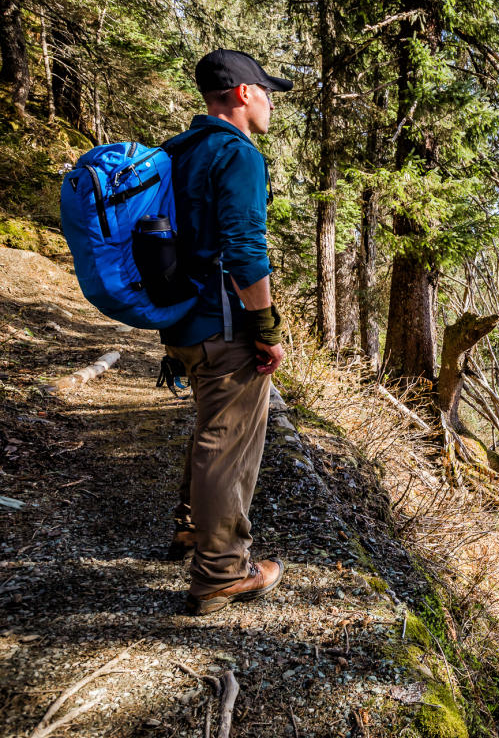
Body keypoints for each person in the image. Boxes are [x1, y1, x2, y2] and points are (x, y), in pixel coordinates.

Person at [159, 49, 291, 616]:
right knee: (228, 444)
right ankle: (221, 572)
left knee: (212, 428)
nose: (270, 104)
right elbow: (245, 250)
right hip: (224, 326)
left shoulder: (177, 150)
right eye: (265, 92)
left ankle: (194, 529)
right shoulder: (237, 154)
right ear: (242, 93)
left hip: (182, 323)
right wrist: (265, 326)